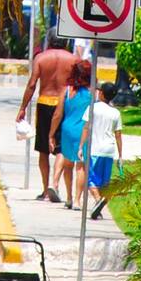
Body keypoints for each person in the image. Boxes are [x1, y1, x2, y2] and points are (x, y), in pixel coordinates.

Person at [16, 32, 76, 202]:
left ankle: (44, 190)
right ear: (66, 42)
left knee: (43, 149)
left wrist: (22, 108)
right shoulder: (73, 60)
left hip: (44, 104)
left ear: (49, 41)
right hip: (63, 105)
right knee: (61, 148)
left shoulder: (41, 58)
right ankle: (55, 184)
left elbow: (32, 84)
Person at [49, 60, 93, 209]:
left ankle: (68, 197)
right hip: (83, 131)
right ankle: (77, 200)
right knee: (81, 166)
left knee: (68, 165)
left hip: (67, 129)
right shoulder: (92, 93)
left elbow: (57, 114)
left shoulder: (66, 90)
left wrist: (51, 134)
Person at [86, 81, 123, 218]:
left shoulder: (92, 108)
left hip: (95, 149)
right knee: (104, 182)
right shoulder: (116, 113)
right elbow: (118, 135)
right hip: (109, 151)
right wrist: (120, 155)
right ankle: (99, 206)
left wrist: (80, 145)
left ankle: (98, 200)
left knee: (90, 179)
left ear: (101, 93)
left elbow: (86, 127)